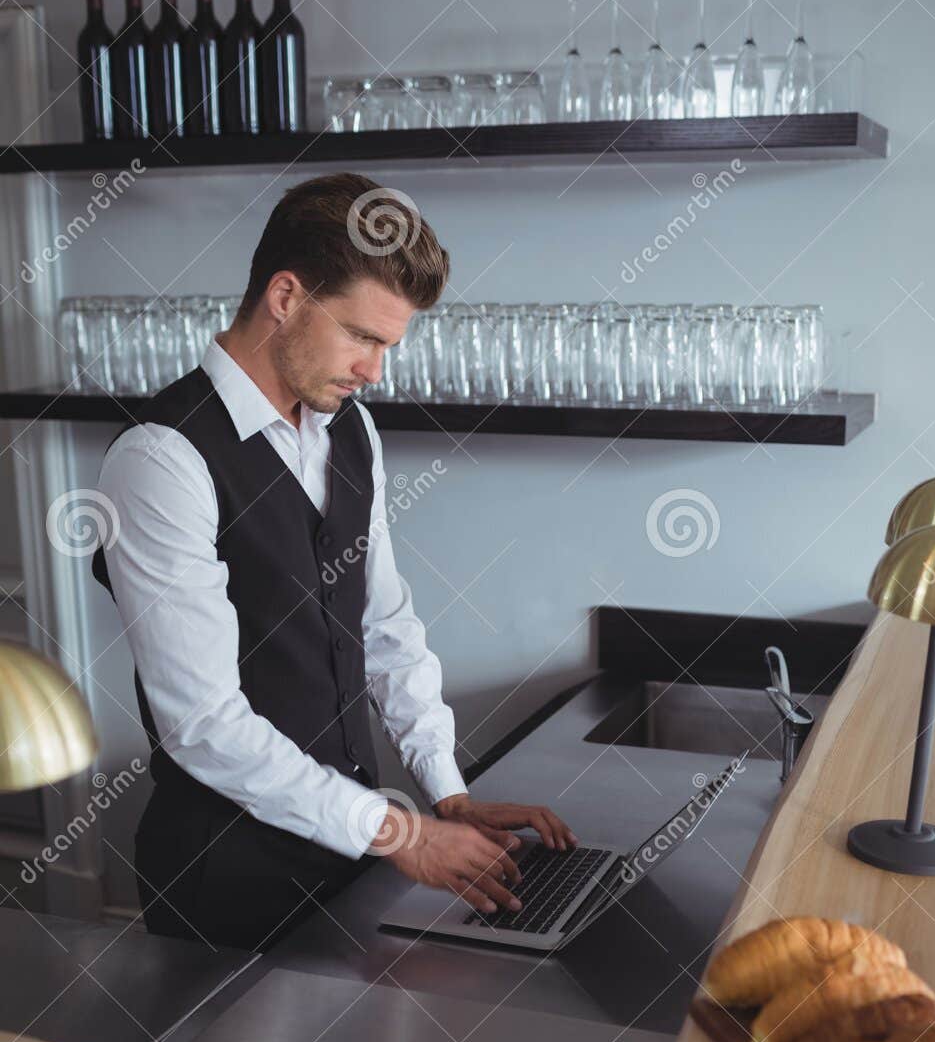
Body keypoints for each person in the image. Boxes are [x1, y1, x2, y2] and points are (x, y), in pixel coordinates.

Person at [92, 171, 576, 951]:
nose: (374, 370)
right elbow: (203, 723)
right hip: (223, 880)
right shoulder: (163, 459)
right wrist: (400, 834)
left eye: (389, 345)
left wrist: (445, 796)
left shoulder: (351, 431)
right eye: (362, 336)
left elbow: (383, 626)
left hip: (349, 857)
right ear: (285, 297)